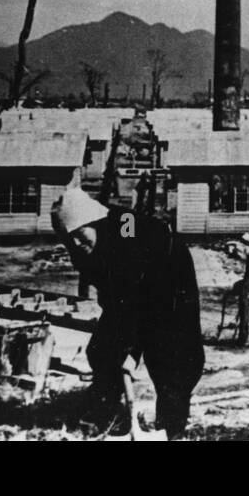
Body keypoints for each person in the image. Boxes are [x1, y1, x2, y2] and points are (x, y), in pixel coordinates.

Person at [51, 185, 204, 436]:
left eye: (80, 234)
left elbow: (139, 291)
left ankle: (171, 426)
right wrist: (121, 340)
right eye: (70, 239)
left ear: (95, 222)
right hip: (126, 295)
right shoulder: (81, 249)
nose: (77, 243)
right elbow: (112, 294)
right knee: (102, 350)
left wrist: (131, 347)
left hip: (169, 282)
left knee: (172, 359)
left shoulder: (126, 227)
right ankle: (107, 414)